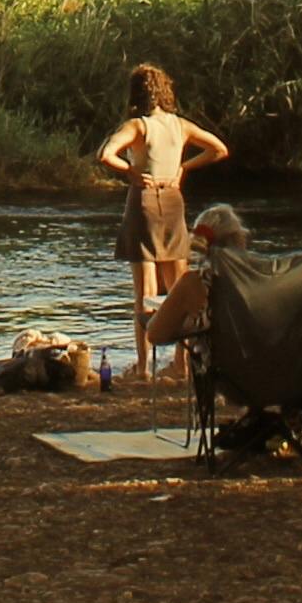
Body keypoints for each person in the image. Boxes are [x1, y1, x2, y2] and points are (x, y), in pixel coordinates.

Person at [98, 64, 229, 384]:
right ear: (165, 91)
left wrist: (130, 172)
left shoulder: (138, 126)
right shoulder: (181, 126)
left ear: (136, 94)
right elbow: (219, 149)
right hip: (173, 200)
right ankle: (181, 365)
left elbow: (106, 154)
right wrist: (184, 167)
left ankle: (143, 369)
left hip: (144, 202)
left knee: (145, 290)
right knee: (179, 286)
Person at [138, 203, 259, 361]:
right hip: (260, 368)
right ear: (240, 240)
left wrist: (187, 323)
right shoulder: (259, 276)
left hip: (221, 376)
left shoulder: (195, 283)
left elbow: (155, 334)